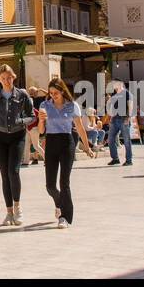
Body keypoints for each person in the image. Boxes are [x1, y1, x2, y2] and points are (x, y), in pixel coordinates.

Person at [38, 77, 95, 227]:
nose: (53, 95)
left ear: (63, 91)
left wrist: (87, 147)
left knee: (64, 182)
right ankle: (59, 203)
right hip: (50, 143)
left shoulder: (72, 106)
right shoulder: (45, 105)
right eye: (51, 93)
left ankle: (65, 218)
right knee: (50, 186)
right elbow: (41, 131)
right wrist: (41, 120)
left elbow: (80, 127)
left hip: (67, 143)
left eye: (56, 93)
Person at [0, 64, 37, 226]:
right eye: (3, 78)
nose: (7, 81)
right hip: (0, 137)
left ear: (13, 77)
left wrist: (20, 122)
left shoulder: (22, 95)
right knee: (4, 174)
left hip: (17, 136)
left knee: (13, 171)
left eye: (9, 78)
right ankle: (8, 212)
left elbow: (31, 116)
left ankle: (18, 207)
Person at [106, 82, 134, 166]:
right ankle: (115, 159)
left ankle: (129, 160)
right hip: (114, 119)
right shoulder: (115, 95)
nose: (114, 86)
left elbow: (130, 106)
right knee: (110, 140)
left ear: (121, 85)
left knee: (126, 140)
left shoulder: (127, 93)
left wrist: (128, 118)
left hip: (123, 119)